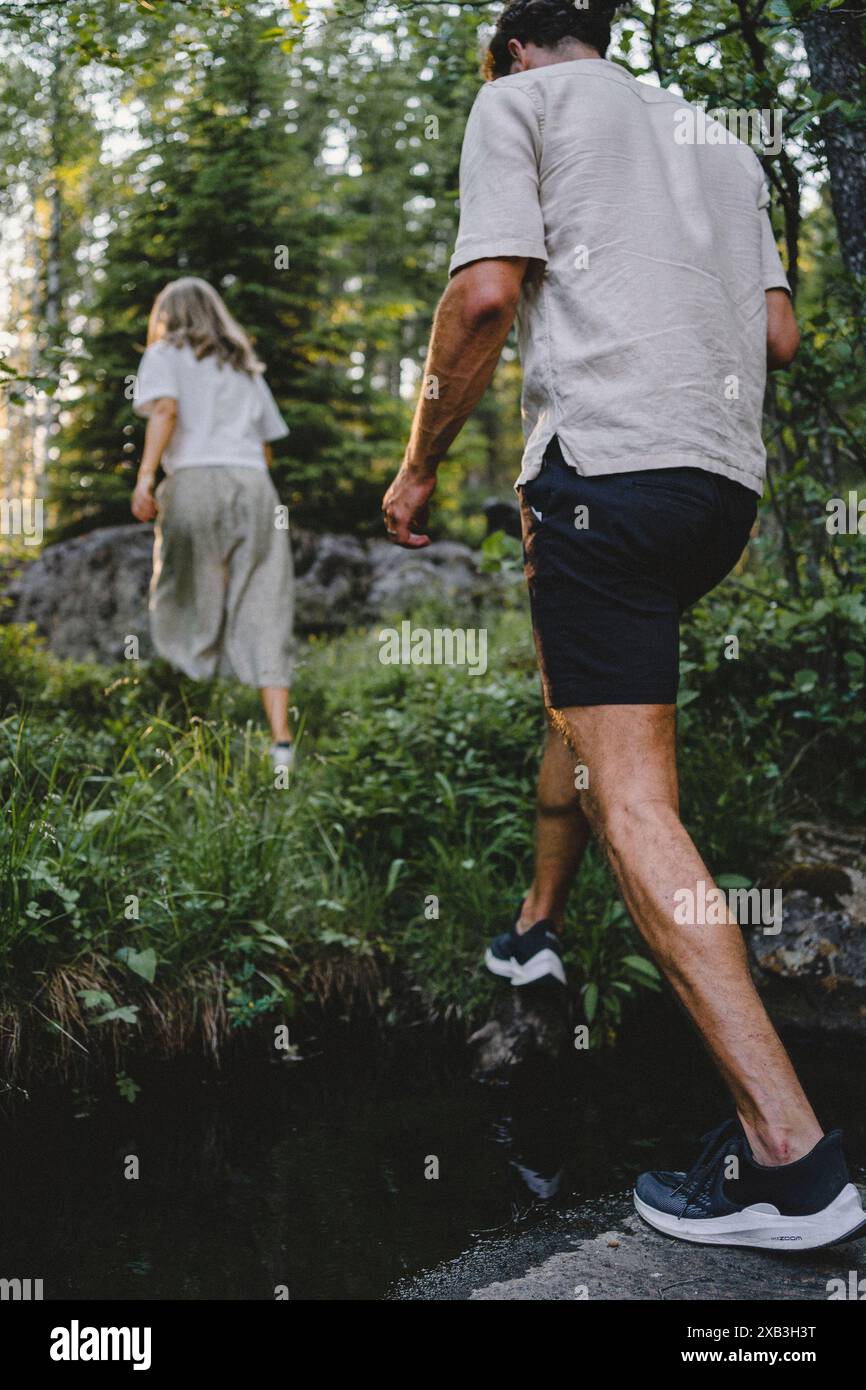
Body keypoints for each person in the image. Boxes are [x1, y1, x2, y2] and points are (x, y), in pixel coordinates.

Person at [381, 0, 866, 1250]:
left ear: (509, 47)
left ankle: (786, 1161)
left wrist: (419, 462)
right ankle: (536, 933)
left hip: (603, 478)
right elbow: (775, 331)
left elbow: (485, 297)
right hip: (717, 493)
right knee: (590, 716)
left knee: (636, 799)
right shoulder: (715, 135)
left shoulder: (517, 104)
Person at [130, 276, 296, 769]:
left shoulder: (165, 353)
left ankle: (189, 730)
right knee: (266, 599)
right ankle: (281, 744)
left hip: (195, 481)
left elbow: (165, 409)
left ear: (169, 313)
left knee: (184, 597)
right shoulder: (244, 365)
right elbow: (267, 443)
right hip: (254, 485)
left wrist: (144, 477)